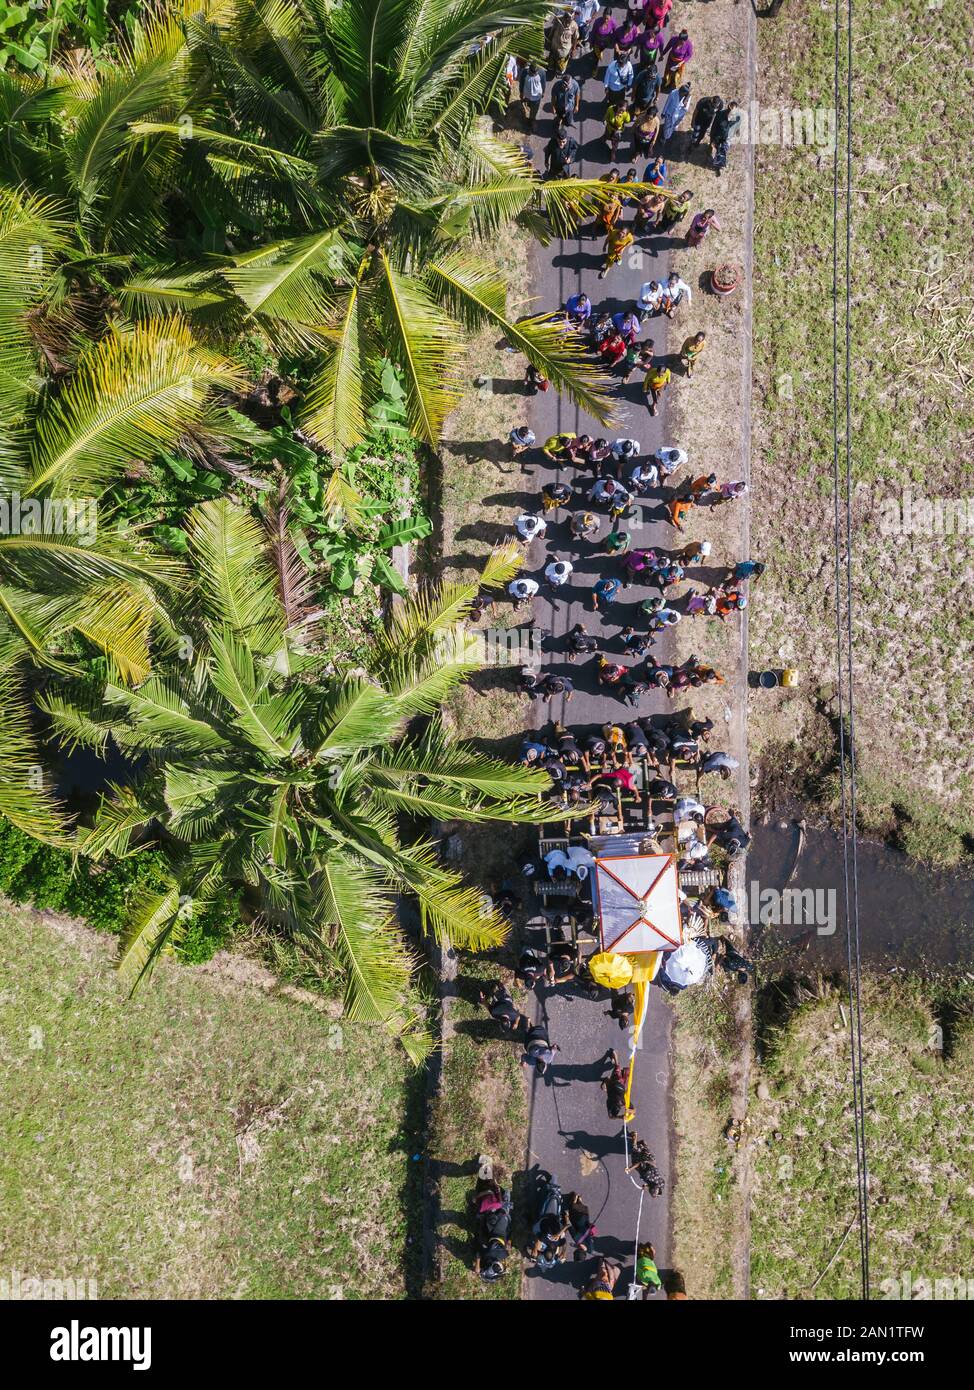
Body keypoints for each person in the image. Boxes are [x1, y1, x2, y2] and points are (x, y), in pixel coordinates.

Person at [471, 1157, 513, 1280]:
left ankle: (487, 1166)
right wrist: (478, 1266)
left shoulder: (503, 1255)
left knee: (489, 1185)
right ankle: (486, 1163)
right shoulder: (488, 1253)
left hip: (501, 1220)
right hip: (492, 1216)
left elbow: (508, 1241)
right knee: (484, 1184)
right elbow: (478, 1254)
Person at [601, 1049, 633, 1121]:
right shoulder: (623, 1101)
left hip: (614, 1081)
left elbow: (611, 1116)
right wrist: (628, 1111)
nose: (618, 1102)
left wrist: (620, 1117)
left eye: (617, 1103)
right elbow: (634, 1111)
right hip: (621, 1083)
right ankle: (613, 1060)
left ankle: (614, 1056)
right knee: (627, 1071)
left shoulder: (609, 1102)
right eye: (619, 1103)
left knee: (617, 1067)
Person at [711, 99, 741, 175]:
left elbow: (738, 124)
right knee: (718, 149)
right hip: (718, 136)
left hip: (727, 138)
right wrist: (712, 139)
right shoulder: (720, 115)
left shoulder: (737, 117)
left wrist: (738, 131)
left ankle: (719, 165)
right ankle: (717, 164)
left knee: (723, 150)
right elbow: (714, 127)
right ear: (728, 108)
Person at [565, 1192, 597, 1260]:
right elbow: (569, 1225)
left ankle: (579, 1199)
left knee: (581, 1206)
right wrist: (566, 1215)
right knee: (571, 1207)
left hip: (585, 1214)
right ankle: (575, 1198)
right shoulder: (576, 1238)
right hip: (577, 1215)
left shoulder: (590, 1250)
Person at [546, 9, 579, 73]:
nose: (567, 22)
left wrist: (573, 49)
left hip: (564, 50)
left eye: (569, 20)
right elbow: (553, 29)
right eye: (566, 19)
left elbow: (575, 38)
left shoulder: (574, 26)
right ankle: (551, 67)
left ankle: (559, 71)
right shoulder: (558, 20)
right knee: (551, 60)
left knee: (561, 64)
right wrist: (549, 39)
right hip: (554, 45)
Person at [589, 8, 618, 72]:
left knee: (601, 51)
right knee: (596, 57)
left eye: (607, 18)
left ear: (610, 17)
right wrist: (591, 42)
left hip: (605, 43)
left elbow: (615, 32)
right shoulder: (597, 21)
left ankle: (600, 52)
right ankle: (595, 68)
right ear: (602, 15)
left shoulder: (613, 22)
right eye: (604, 17)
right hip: (597, 42)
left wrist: (612, 40)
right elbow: (593, 32)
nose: (605, 20)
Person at [519, 62, 546, 129]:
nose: (534, 74)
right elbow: (521, 83)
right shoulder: (525, 72)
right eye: (532, 72)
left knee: (534, 110)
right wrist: (521, 93)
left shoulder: (542, 72)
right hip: (527, 94)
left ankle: (532, 119)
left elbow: (543, 84)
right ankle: (528, 104)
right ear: (529, 69)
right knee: (528, 103)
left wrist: (543, 93)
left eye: (535, 72)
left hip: (536, 97)